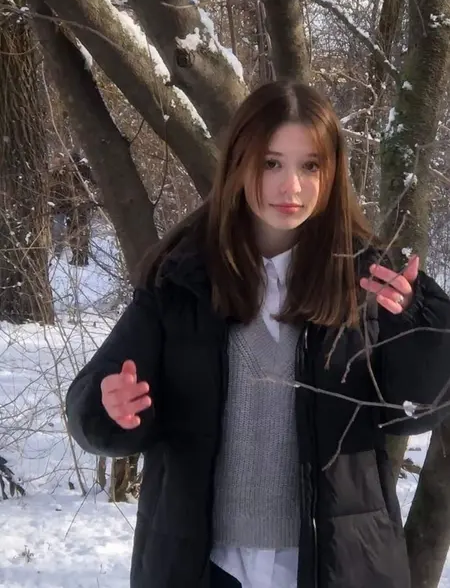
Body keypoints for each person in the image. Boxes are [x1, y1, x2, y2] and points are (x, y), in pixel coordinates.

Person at [65, 80, 450, 588]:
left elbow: (417, 410)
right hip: (204, 567)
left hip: (338, 567)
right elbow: (91, 401)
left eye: (309, 166)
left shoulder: (370, 282)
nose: (291, 187)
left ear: (332, 174)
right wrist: (109, 407)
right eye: (271, 163)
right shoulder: (182, 278)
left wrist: (417, 326)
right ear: (239, 162)